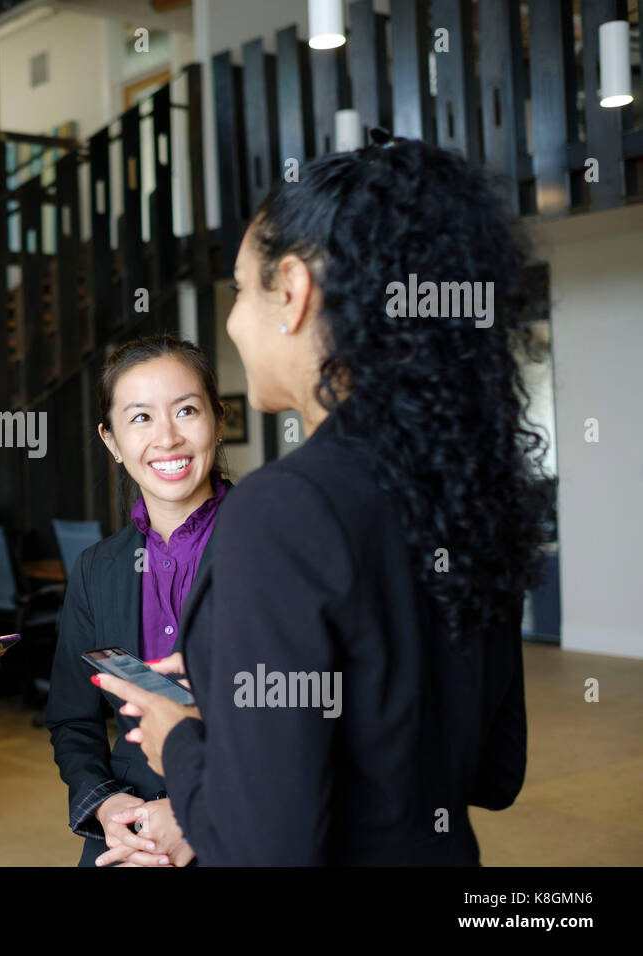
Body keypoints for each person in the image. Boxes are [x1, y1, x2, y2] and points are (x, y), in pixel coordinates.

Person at [97, 135, 545, 864]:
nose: (234, 320)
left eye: (240, 290)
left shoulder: (284, 509)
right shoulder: (466, 487)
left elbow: (265, 846)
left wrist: (180, 737)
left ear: (293, 290)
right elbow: (495, 770)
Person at [46, 335, 231, 867]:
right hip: (130, 833)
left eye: (186, 410)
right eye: (141, 418)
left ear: (218, 421)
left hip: (248, 817)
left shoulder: (276, 546)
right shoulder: (96, 568)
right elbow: (72, 720)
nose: (167, 438)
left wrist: (200, 811)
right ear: (111, 440)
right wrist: (106, 805)